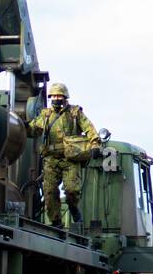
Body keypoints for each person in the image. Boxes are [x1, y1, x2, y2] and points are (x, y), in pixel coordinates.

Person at [27, 81, 101, 227]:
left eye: (59, 96)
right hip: (51, 159)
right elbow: (33, 129)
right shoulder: (46, 115)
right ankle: (56, 221)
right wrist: (24, 126)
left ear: (65, 97)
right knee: (49, 192)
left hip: (71, 158)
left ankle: (73, 207)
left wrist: (95, 144)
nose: (56, 98)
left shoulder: (75, 113)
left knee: (72, 190)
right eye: (53, 96)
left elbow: (89, 128)